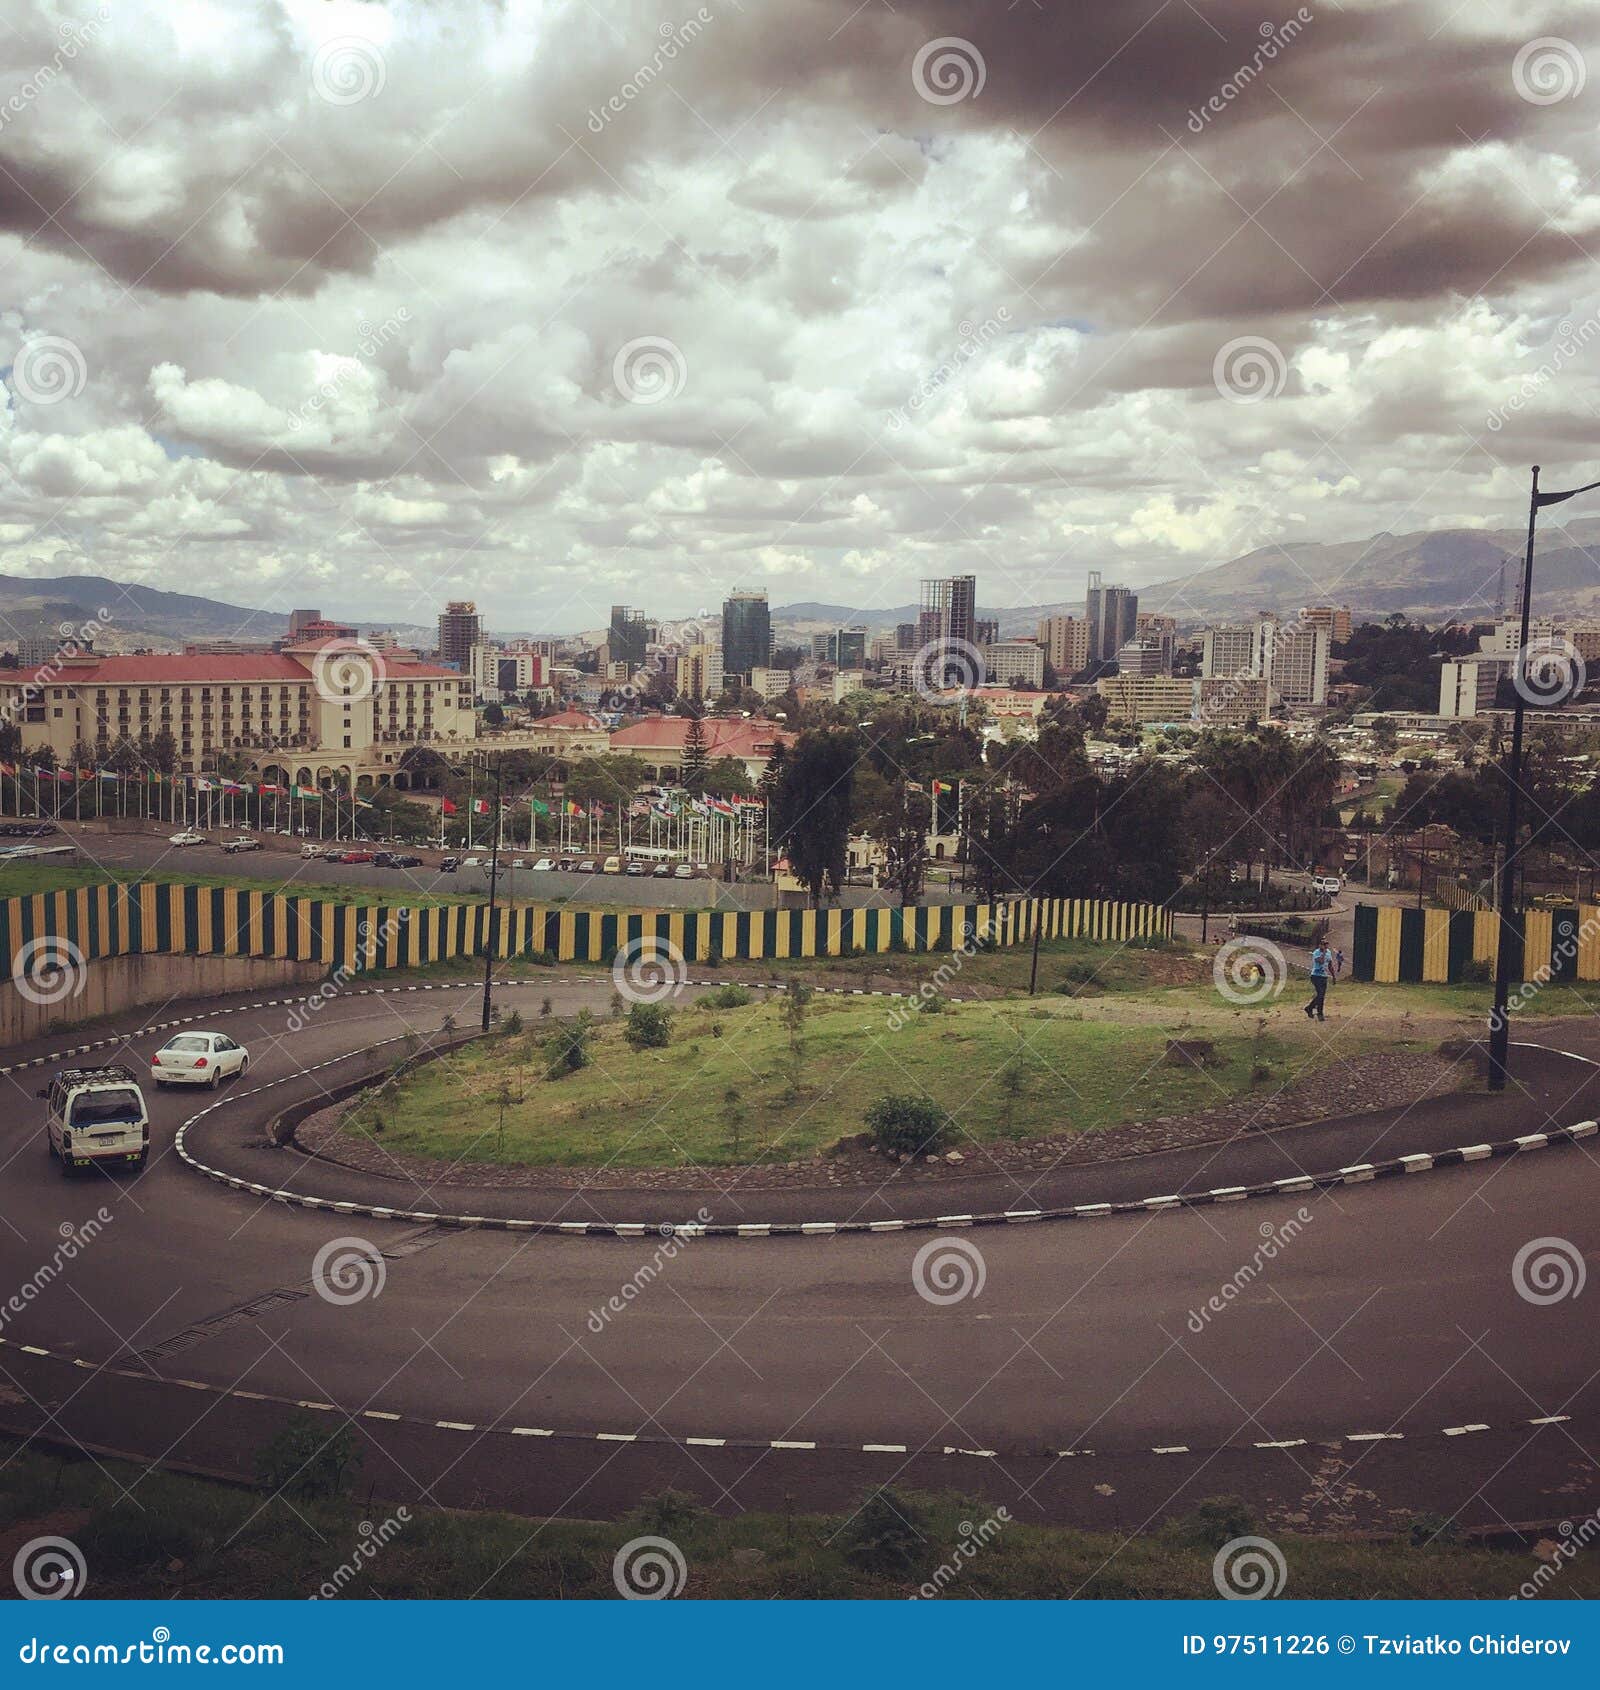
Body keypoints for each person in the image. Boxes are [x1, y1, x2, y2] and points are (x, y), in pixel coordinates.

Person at [1305, 942, 1332, 1021]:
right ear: (1319, 945)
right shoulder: (1316, 952)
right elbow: (1321, 961)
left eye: (1325, 944)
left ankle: (1315, 1010)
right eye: (1322, 944)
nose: (1324, 945)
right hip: (1316, 976)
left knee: (1322, 996)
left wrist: (1333, 976)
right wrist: (1324, 952)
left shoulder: (1329, 952)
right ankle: (1314, 1010)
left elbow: (1330, 964)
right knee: (1320, 994)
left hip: (1324, 976)